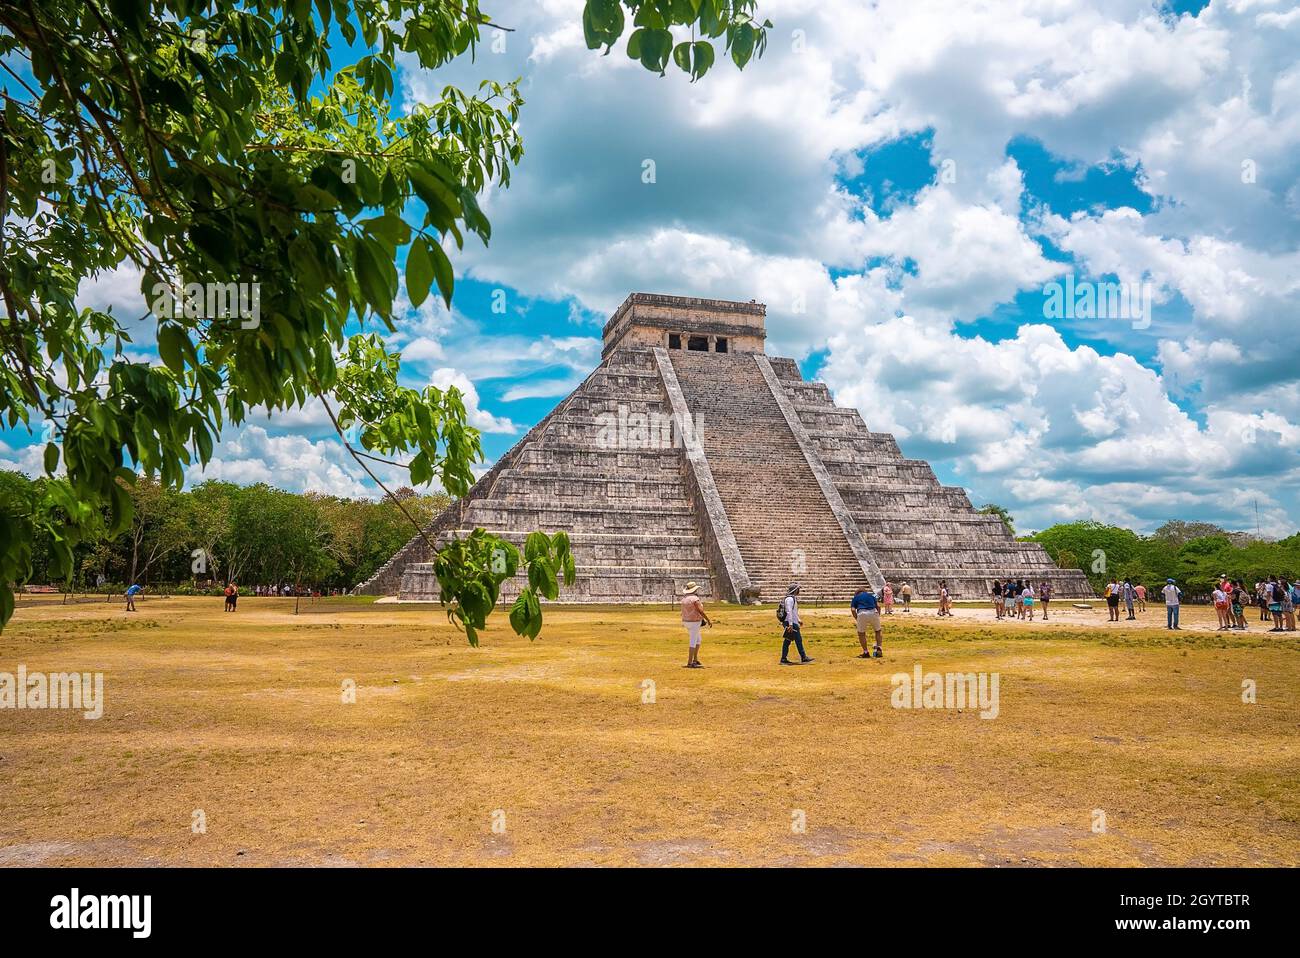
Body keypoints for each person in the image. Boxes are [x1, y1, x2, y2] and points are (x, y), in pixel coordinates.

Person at [779, 584, 813, 665]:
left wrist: (798, 620)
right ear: (795, 590)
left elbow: (794, 612)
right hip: (789, 622)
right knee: (798, 640)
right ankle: (803, 657)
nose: (799, 591)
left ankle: (784, 658)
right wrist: (790, 624)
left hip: (792, 622)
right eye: (798, 589)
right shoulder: (790, 599)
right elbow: (789, 612)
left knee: (788, 640)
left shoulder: (792, 599)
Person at [680, 581, 711, 668]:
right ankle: (690, 662)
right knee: (693, 641)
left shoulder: (684, 599)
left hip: (686, 621)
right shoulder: (695, 599)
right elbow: (700, 611)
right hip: (694, 622)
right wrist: (708, 619)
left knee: (698, 640)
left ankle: (695, 659)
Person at [851, 584, 883, 658]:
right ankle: (879, 648)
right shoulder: (871, 596)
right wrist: (878, 615)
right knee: (878, 631)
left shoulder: (855, 598)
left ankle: (866, 652)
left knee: (861, 633)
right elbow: (878, 606)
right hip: (873, 611)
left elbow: (853, 610)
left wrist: (857, 618)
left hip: (862, 613)